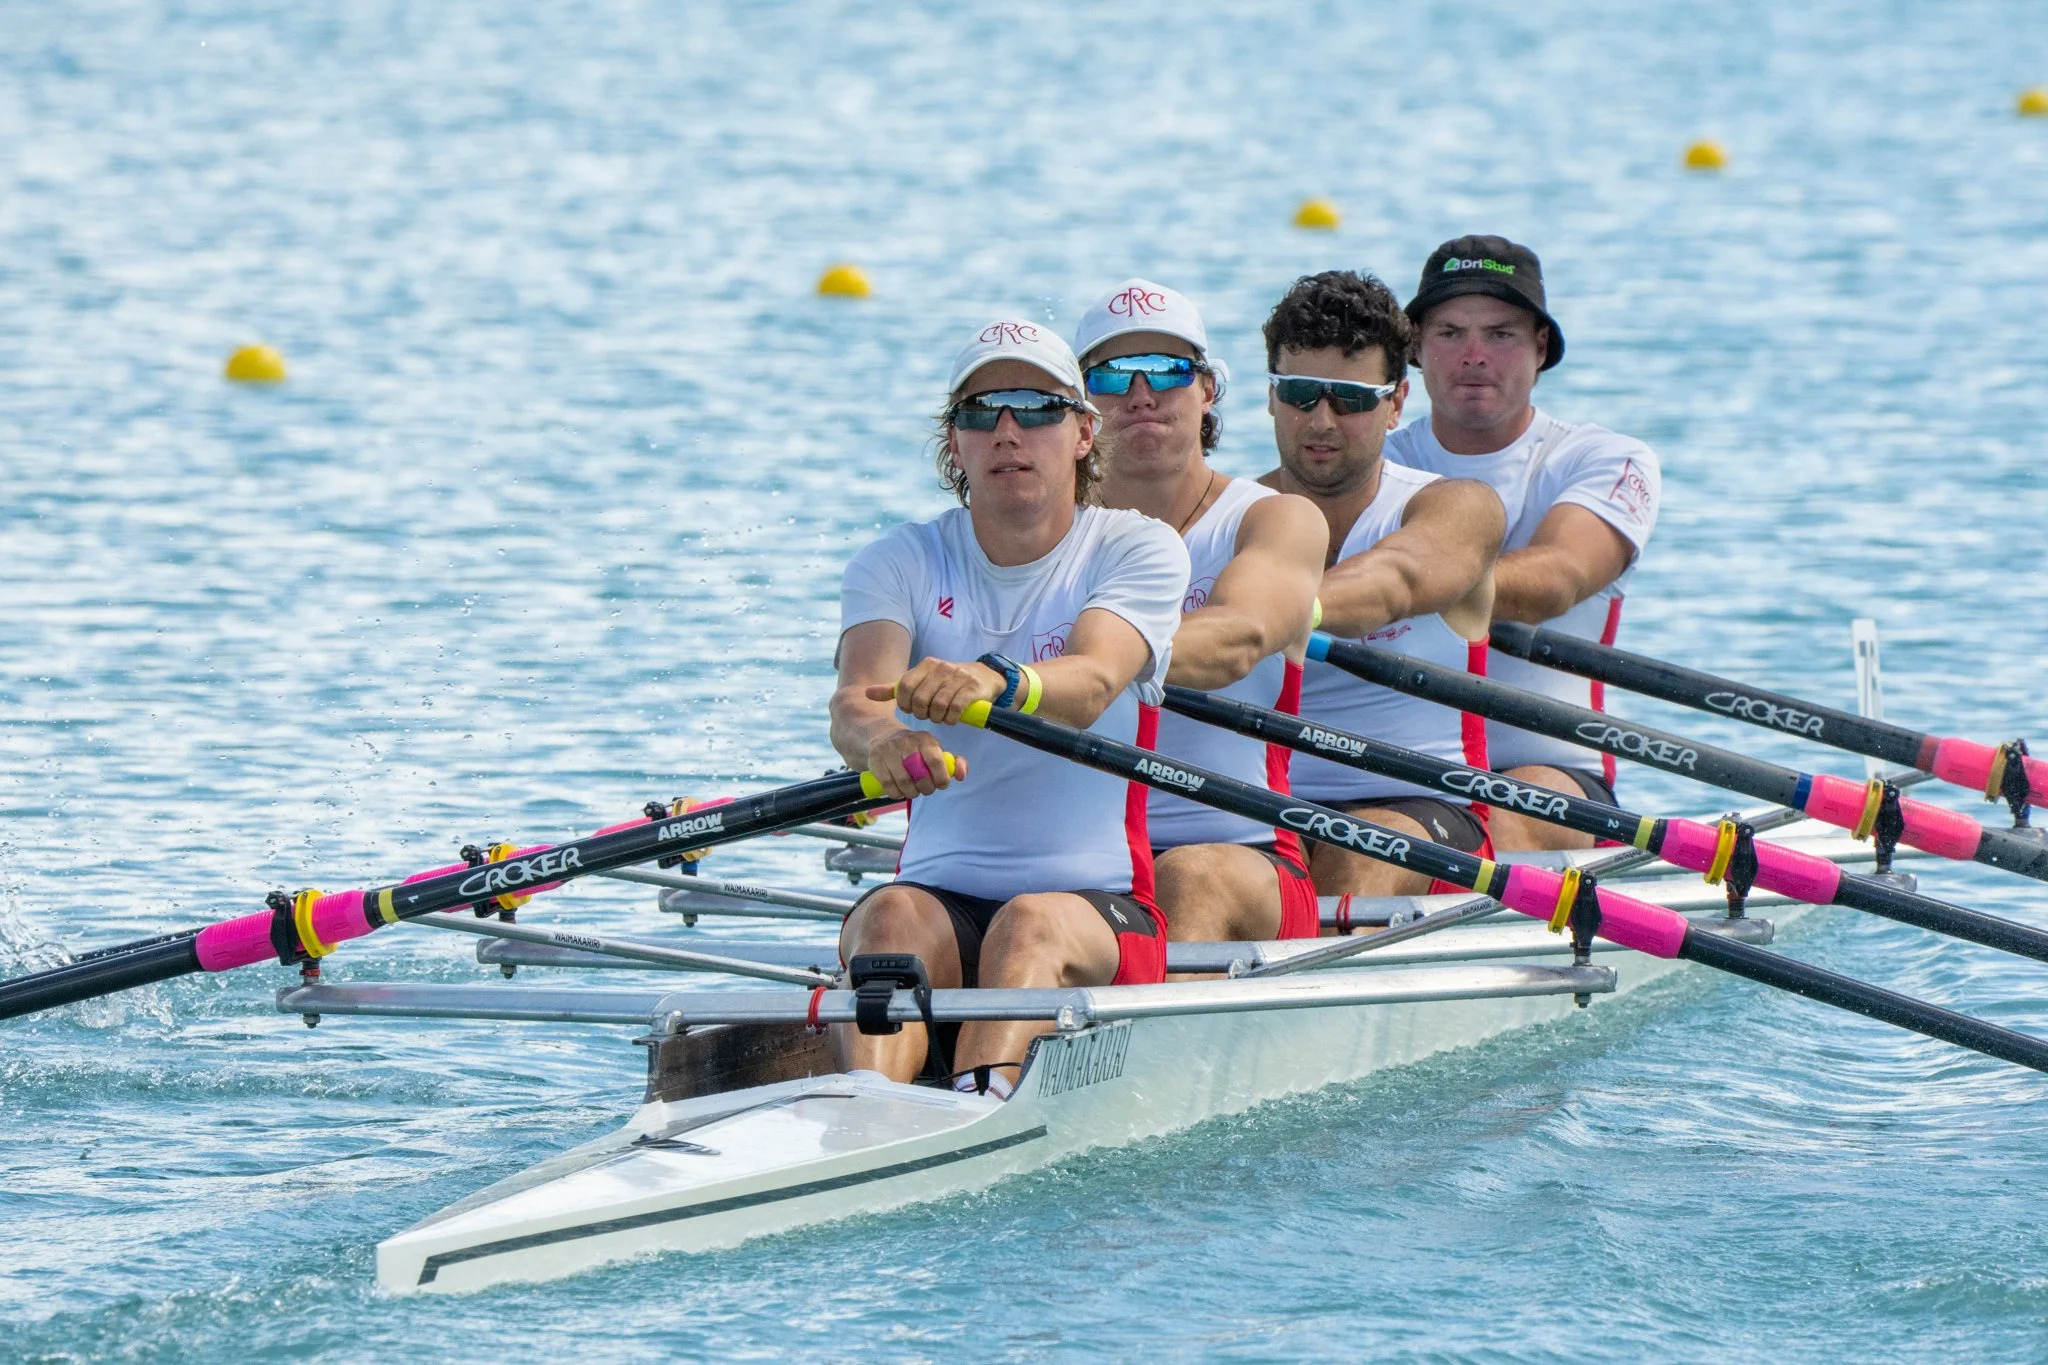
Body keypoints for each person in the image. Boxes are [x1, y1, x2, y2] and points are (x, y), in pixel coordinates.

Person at [830, 318, 1190, 1095]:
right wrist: (884, 740)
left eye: (1034, 408)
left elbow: (1094, 681)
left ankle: (976, 1110)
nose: (1006, 431)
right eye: (979, 412)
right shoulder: (898, 560)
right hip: (938, 897)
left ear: (1085, 432)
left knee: (1026, 923)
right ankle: (863, 1116)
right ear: (953, 444)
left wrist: (996, 681)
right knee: (885, 917)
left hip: (1100, 905)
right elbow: (855, 703)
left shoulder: (1136, 547)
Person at [1387, 236, 1662, 851]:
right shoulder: (1372, 463)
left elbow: (1557, 578)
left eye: (1502, 334)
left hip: (1551, 776)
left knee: (1505, 813)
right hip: (1389, 780)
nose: (1475, 356)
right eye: (1451, 332)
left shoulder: (1599, 459)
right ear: (1415, 350)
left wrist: (1394, 589)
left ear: (1540, 347)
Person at [1079, 279, 1328, 948]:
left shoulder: (1273, 519)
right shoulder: (1041, 538)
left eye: (1166, 370)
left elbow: (1238, 639)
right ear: (1078, 407)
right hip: (1079, 861)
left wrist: (1075, 674)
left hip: (1241, 847)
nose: (1141, 394)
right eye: (1112, 374)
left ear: (1208, 389)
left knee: (1187, 877)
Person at [1257, 271, 1506, 898]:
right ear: (1270, 398)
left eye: (1350, 399)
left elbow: (1393, 581)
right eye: (1301, 393)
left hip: (1428, 803)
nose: (1320, 420)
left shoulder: (1456, 508)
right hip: (1263, 811)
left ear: (1395, 404)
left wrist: (1272, 615)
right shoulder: (1231, 516)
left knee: (1354, 857)